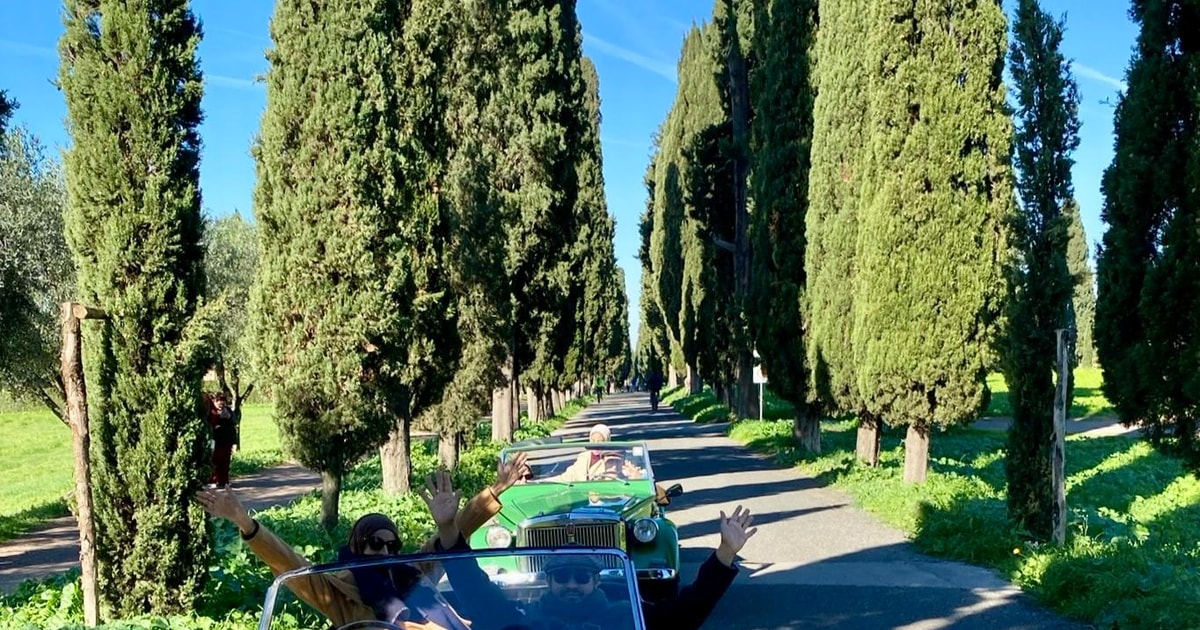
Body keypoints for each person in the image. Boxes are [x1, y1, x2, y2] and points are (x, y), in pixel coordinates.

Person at [195, 452, 530, 628]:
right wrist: (243, 520)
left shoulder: (410, 571)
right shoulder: (341, 589)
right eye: (374, 543)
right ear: (357, 546)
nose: (385, 552)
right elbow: (289, 563)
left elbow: (452, 531)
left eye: (392, 545)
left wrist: (495, 491)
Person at [423, 473, 756, 630]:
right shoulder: (526, 621)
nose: (571, 583)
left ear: (596, 582)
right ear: (548, 582)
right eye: (562, 576)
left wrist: (725, 553)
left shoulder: (626, 617)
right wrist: (449, 530)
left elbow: (688, 612)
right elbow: (477, 591)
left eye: (581, 576)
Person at [203, 391, 238, 488]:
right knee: (215, 460)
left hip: (226, 440)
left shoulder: (228, 411)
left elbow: (233, 422)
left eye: (222, 401)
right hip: (215, 440)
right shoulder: (211, 411)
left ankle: (224, 481)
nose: (220, 403)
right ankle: (215, 480)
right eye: (218, 401)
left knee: (225, 461)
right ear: (215, 401)